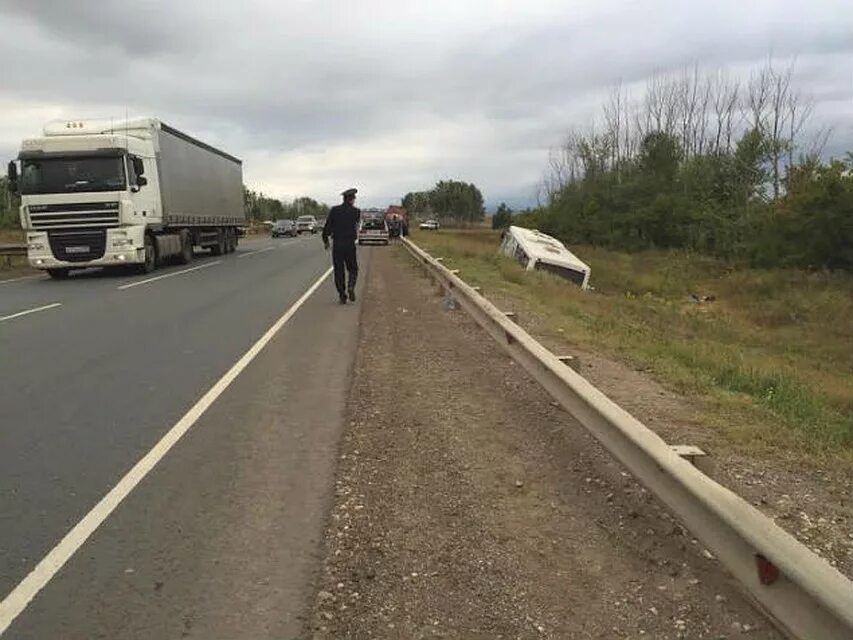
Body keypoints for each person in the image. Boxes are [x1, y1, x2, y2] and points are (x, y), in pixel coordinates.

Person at [322, 187, 361, 304]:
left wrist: (326, 241)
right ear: (352, 199)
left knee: (339, 271)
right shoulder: (356, 212)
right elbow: (355, 225)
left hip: (337, 245)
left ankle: (342, 295)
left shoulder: (334, 210)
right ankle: (351, 286)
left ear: (344, 199)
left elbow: (327, 228)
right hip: (349, 244)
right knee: (353, 268)